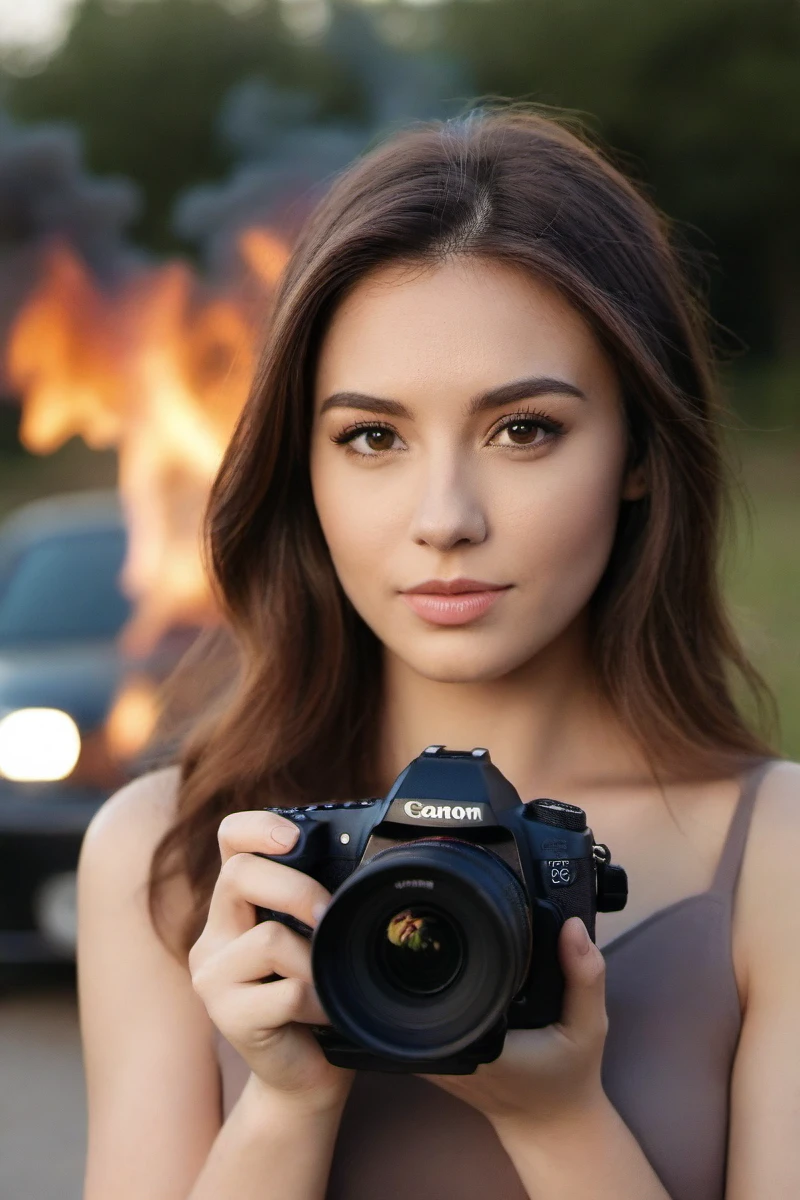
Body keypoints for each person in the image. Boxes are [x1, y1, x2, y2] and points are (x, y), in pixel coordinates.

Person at [77, 104, 800, 1200]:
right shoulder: (168, 856)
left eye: (523, 430)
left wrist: (558, 1119)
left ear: (640, 452)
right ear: (302, 468)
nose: (444, 517)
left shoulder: (776, 858)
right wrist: (286, 1103)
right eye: (371, 437)